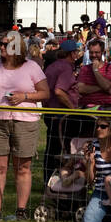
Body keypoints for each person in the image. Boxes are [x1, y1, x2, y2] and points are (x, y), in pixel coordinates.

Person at [0, 31, 51, 221]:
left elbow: (45, 93)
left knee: (22, 166)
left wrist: (25, 97)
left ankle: (21, 210)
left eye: (5, 44)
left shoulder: (32, 67)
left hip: (25, 121)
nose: (1, 47)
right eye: (0, 43)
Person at [43, 38, 83, 187]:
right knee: (64, 150)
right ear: (72, 54)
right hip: (62, 115)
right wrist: (73, 109)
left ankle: (47, 179)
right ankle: (59, 181)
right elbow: (59, 91)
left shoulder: (52, 66)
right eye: (76, 52)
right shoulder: (66, 68)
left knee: (51, 149)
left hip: (50, 113)